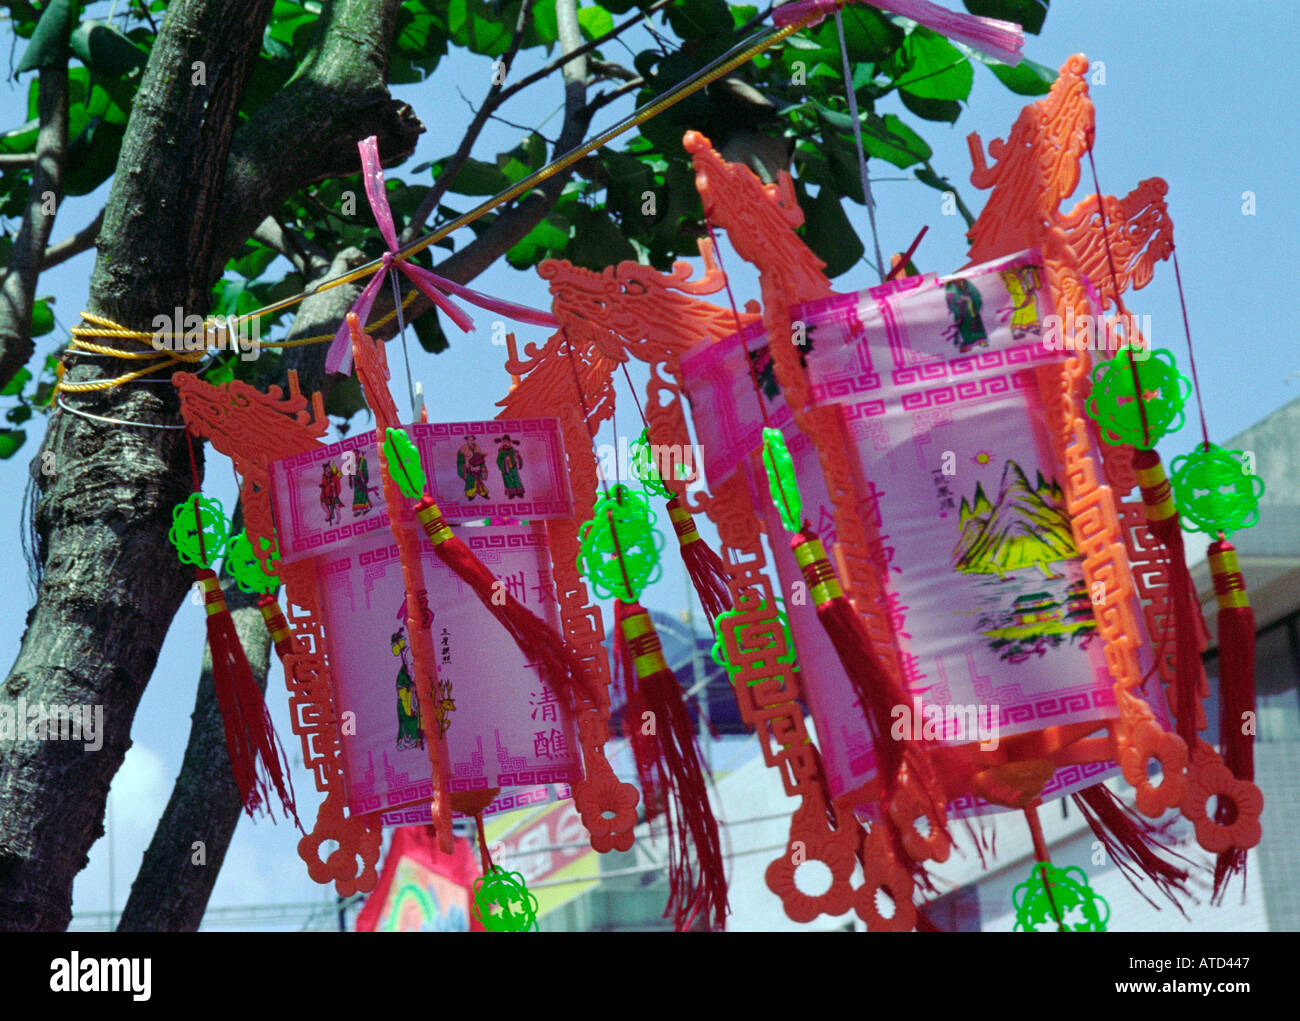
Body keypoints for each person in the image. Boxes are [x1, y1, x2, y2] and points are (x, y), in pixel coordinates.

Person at [457, 435, 490, 500]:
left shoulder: (477, 448)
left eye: (472, 440)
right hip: (469, 470)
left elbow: (481, 459)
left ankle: (483, 493)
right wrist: (462, 471)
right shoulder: (462, 450)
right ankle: (471, 495)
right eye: (469, 440)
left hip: (478, 469)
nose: (471, 441)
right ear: (466, 440)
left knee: (479, 482)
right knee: (470, 483)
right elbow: (460, 462)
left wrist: (482, 467)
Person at [495, 434, 525, 499]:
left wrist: (517, 456)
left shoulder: (513, 450)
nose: (505, 444)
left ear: (510, 442)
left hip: (513, 467)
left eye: (507, 442)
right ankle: (512, 493)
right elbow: (498, 460)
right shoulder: (501, 452)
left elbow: (518, 458)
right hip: (505, 468)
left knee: (516, 479)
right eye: (504, 442)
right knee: (508, 480)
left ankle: (519, 492)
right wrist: (504, 461)